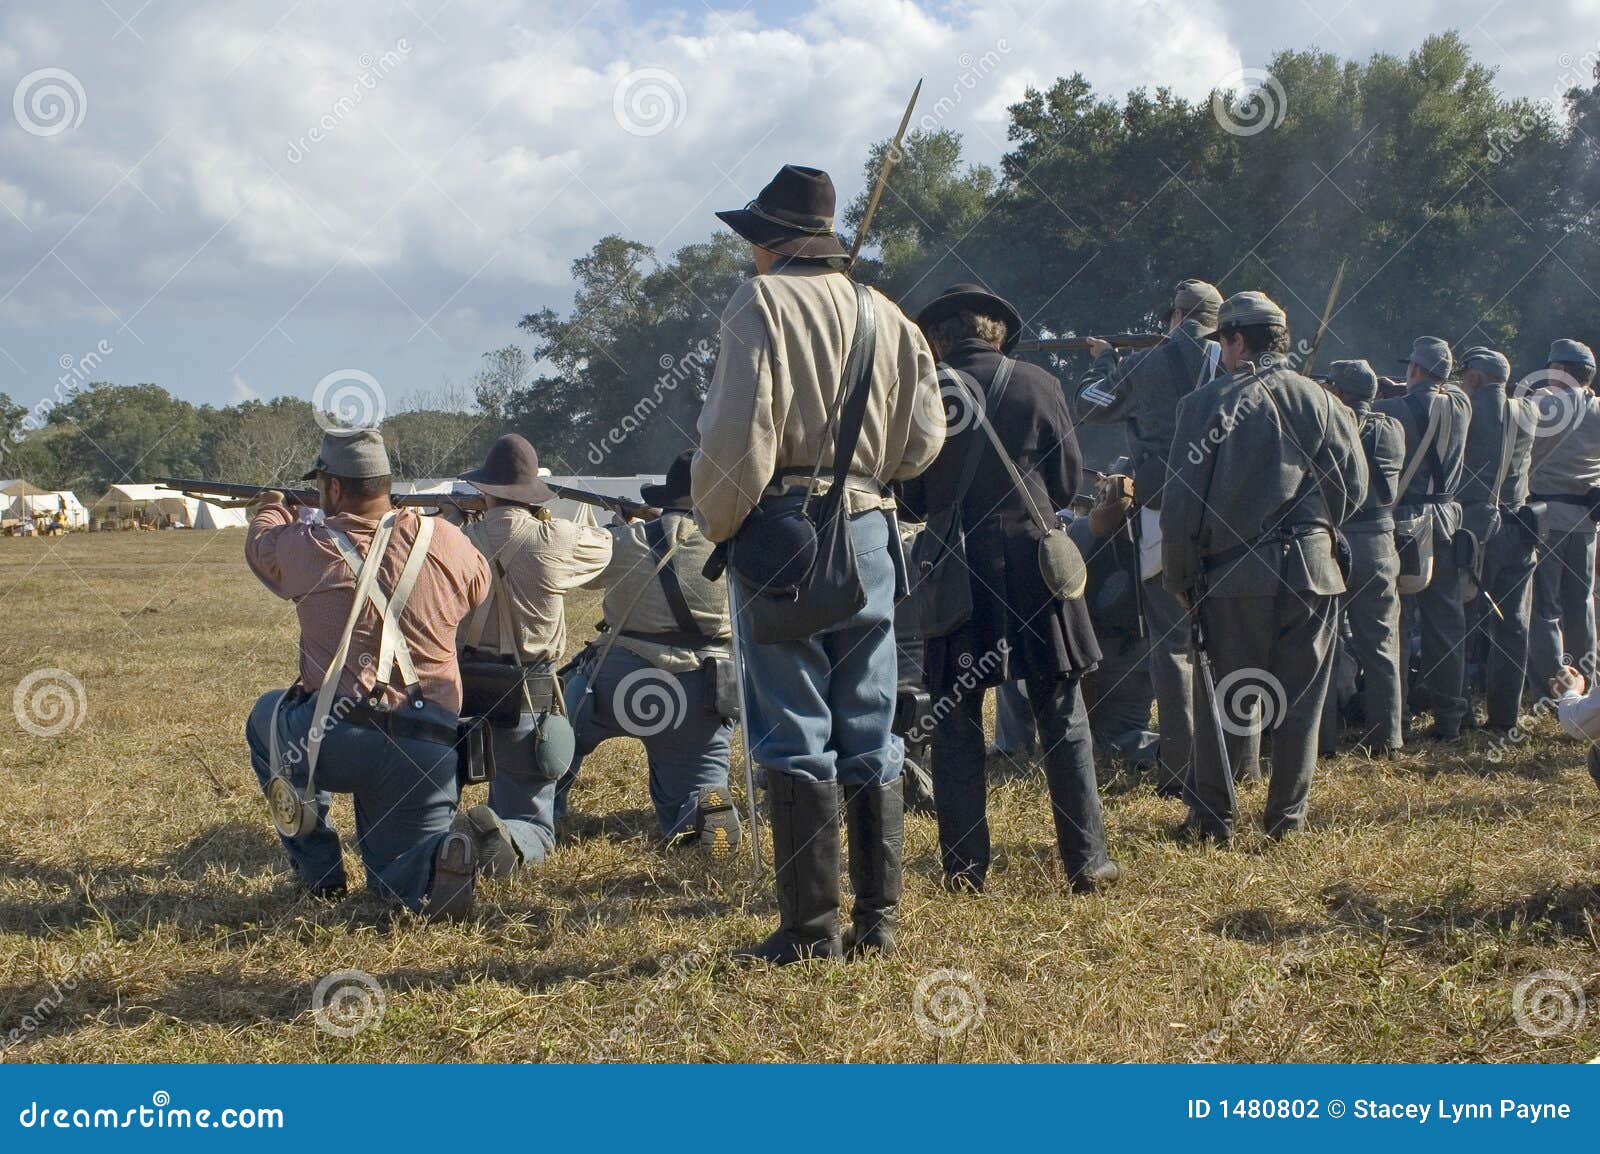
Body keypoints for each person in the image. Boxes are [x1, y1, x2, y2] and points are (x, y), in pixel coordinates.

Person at [694, 163, 944, 963]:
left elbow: (737, 442)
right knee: (872, 727)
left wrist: (724, 526)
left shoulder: (757, 303)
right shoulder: (891, 315)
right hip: (873, 534)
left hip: (783, 536)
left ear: (771, 243)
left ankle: (809, 935)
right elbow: (924, 444)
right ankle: (880, 924)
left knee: (795, 731)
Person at [905, 282, 1118, 894]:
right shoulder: (1039, 384)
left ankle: (966, 871)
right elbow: (1067, 478)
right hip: (1033, 564)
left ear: (940, 338)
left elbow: (912, 497)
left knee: (955, 725)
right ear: (996, 331)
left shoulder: (926, 393)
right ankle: (1088, 863)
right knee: (1063, 716)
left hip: (955, 569)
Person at [244, 428, 489, 916]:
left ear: (332, 489)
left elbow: (262, 547)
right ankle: (440, 861)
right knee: (401, 890)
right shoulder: (448, 539)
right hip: (428, 743)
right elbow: (478, 589)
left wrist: (272, 506)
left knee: (266, 716)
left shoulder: (306, 543)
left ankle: (319, 874)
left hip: (334, 738)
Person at [1162, 292, 1367, 844]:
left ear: (1236, 340)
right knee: (1301, 706)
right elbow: (1355, 488)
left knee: (1226, 701)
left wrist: (1181, 577)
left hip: (1234, 581)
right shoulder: (1324, 402)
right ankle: (1287, 823)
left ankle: (1213, 821)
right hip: (1315, 575)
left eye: (1223, 344)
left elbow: (1181, 507)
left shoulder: (1205, 406)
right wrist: (1319, 533)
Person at [1072, 278, 1223, 797]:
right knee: (1230, 648)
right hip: (1233, 523)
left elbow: (1089, 404)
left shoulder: (1145, 365)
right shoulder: (1234, 363)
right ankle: (1236, 762)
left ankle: (1180, 769)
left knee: (1173, 649)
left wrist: (1104, 360)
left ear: (1178, 316)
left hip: (1165, 517)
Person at [557, 450, 743, 853]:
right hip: (704, 687)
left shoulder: (629, 540)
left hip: (620, 679)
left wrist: (622, 531)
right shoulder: (734, 545)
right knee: (698, 787)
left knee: (554, 729)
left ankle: (538, 811)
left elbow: (584, 579)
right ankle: (701, 808)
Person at [454, 433, 612, 875]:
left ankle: (442, 835)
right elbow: (604, 547)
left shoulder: (456, 540)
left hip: (461, 694)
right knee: (533, 822)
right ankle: (512, 839)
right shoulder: (553, 537)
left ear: (485, 490)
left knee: (434, 794)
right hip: (527, 693)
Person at [1376, 337, 1472, 740]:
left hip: (1407, 524)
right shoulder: (1463, 405)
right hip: (1448, 519)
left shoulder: (1392, 410)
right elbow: (1436, 397)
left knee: (1397, 624)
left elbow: (1382, 412)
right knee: (1447, 623)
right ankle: (1450, 718)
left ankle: (1397, 721)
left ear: (1413, 369)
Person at [1318, 360, 1405, 756]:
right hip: (1382, 542)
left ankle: (1323, 740)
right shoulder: (1394, 428)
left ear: (1339, 391)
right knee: (1382, 644)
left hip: (1337, 541)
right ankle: (1385, 738)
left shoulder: (1331, 422)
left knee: (1324, 644)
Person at [1456, 348, 1538, 731]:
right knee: (1513, 625)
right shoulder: (1531, 411)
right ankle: (1505, 715)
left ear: (1474, 377)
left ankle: (1461, 711)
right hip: (1520, 527)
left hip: (1476, 527)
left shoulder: (1465, 409)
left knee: (1463, 619)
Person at [1527, 339, 1600, 689]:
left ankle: (1555, 686)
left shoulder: (1544, 403)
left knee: (1545, 608)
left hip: (1546, 519)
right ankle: (1588, 679)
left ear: (1560, 370)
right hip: (1586, 520)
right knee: (1582, 604)